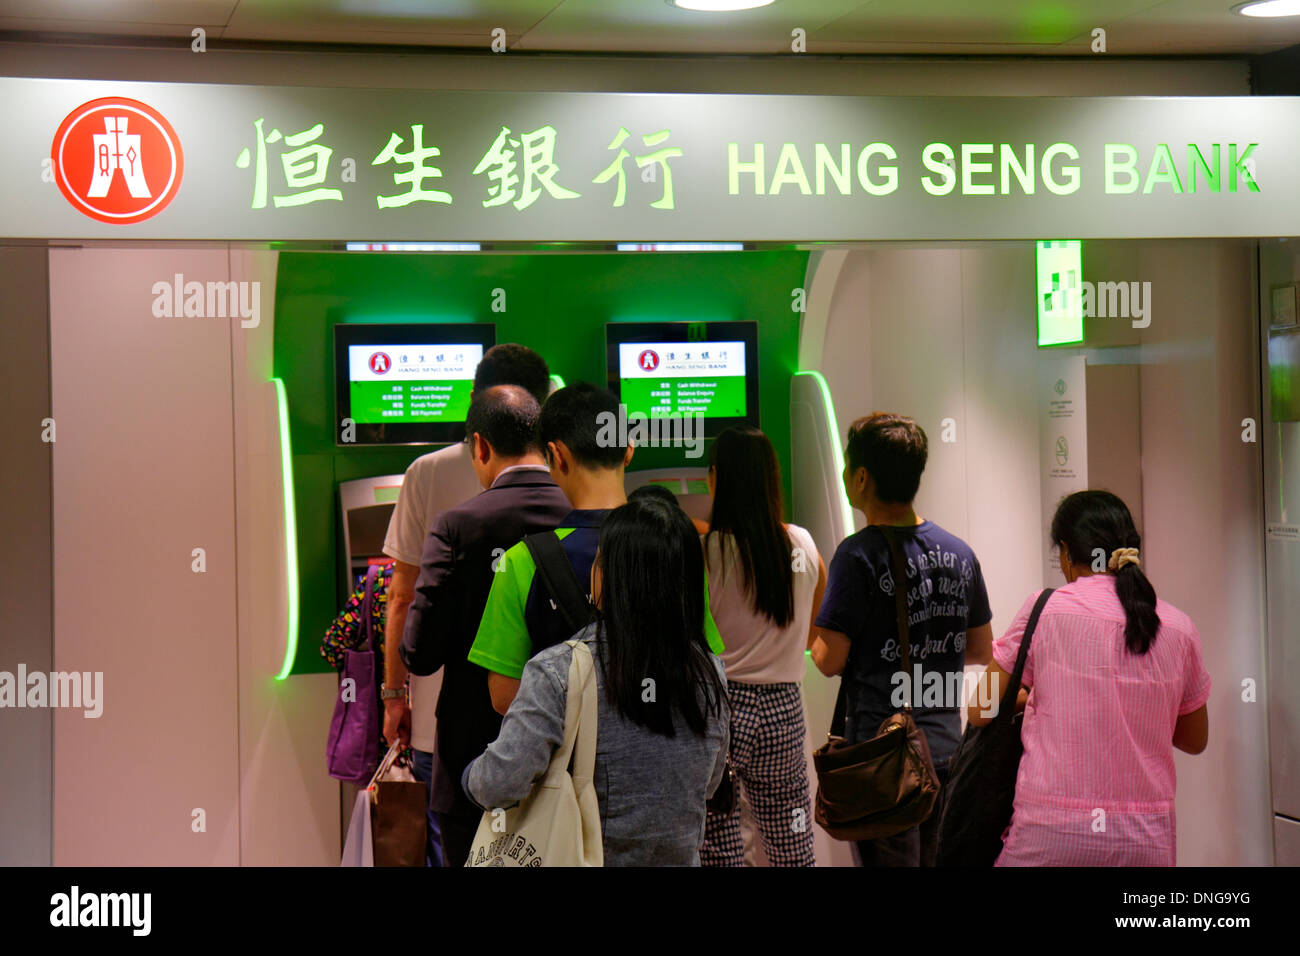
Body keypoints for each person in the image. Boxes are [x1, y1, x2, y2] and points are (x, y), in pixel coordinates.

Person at [464, 495, 730, 865]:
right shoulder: (709, 673)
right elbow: (710, 784)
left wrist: (468, 776)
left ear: (613, 574)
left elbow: (498, 782)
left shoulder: (559, 671)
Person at [968, 490, 1210, 867]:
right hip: (1146, 840)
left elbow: (981, 709)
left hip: (1052, 833)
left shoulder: (1045, 609)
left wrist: (1033, 698)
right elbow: (1195, 739)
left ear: (1066, 553)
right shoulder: (1179, 628)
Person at [380, 343, 551, 866]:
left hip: (453, 731)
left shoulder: (428, 475)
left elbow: (403, 596)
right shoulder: (570, 492)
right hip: (557, 739)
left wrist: (393, 695)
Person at [468, 382, 725, 715]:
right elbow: (707, 663)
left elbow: (504, 696)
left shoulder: (520, 561)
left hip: (568, 763)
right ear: (629, 449)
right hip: (659, 757)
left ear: (556, 456)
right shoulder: (676, 547)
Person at [810, 412, 994, 867]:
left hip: (883, 760)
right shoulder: (959, 552)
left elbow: (829, 660)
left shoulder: (856, 556)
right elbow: (980, 649)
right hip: (947, 753)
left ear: (863, 477)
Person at [699, 426, 824, 868]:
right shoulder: (803, 545)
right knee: (790, 836)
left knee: (717, 838)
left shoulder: (704, 552)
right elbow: (812, 628)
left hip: (720, 706)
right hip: (783, 709)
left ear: (716, 478)